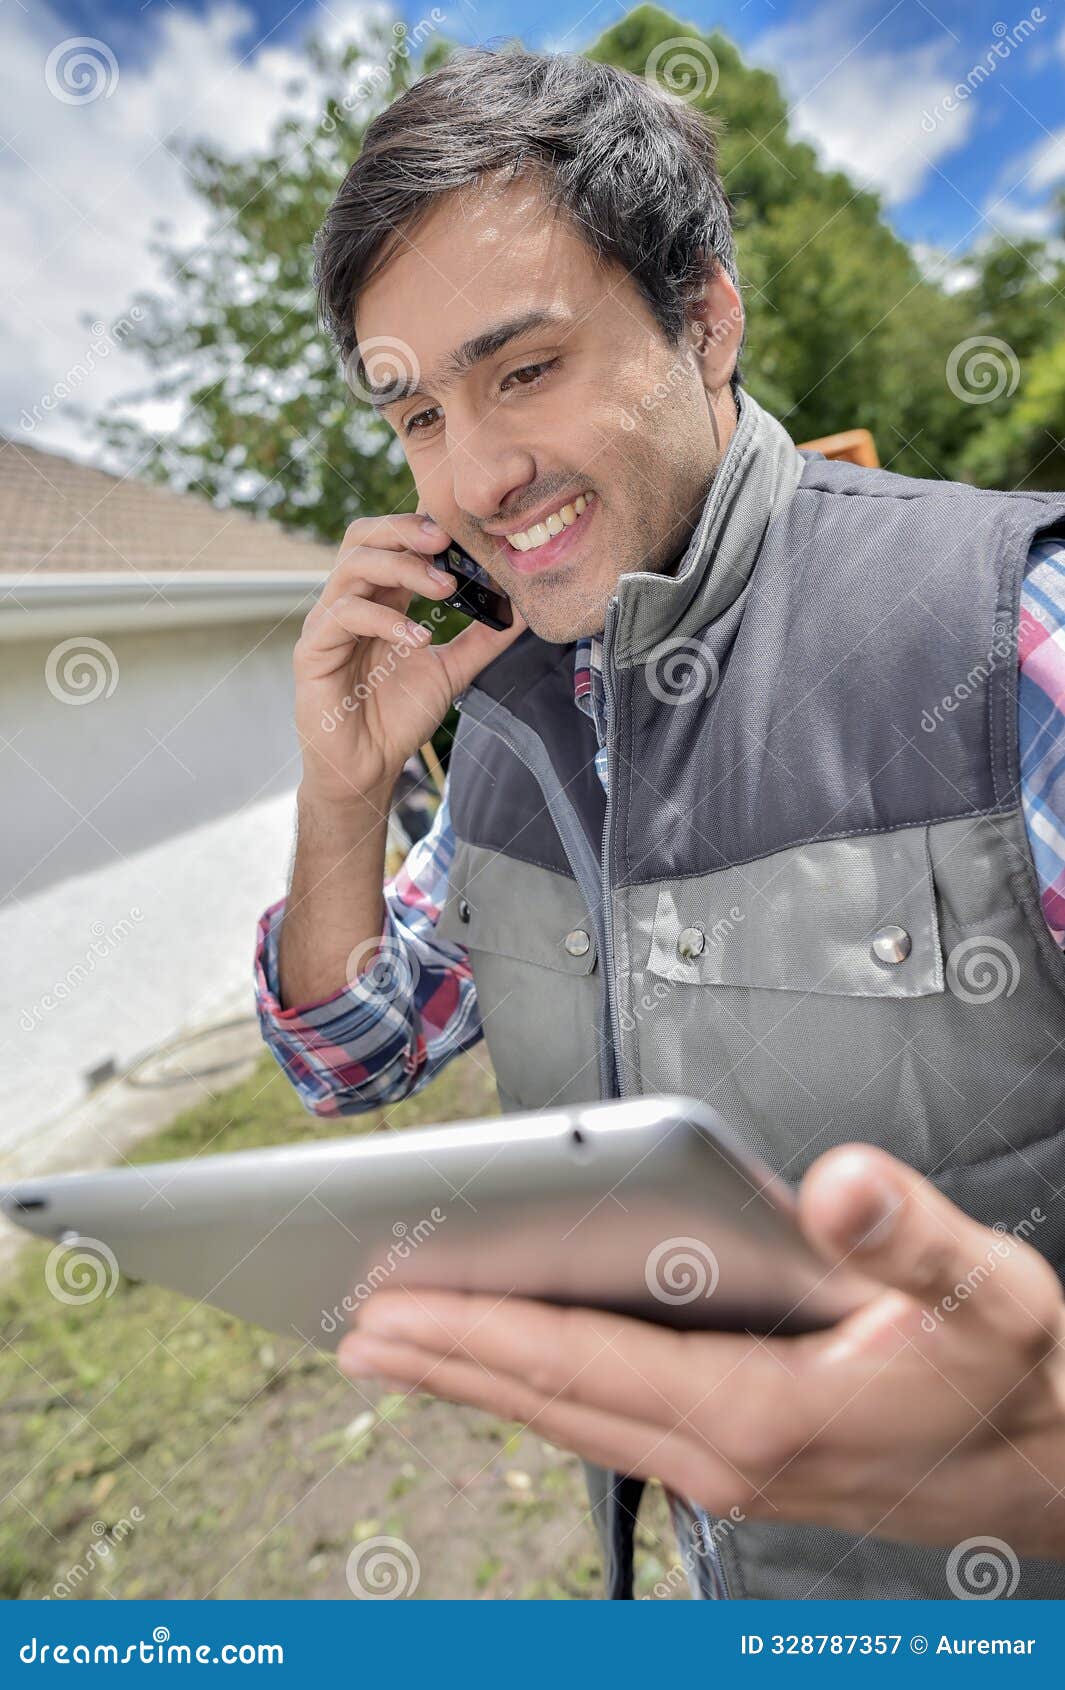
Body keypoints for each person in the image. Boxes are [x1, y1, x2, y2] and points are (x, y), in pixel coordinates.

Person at [254, 46, 1065, 1599]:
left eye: (525, 369)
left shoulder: (1003, 639)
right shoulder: (497, 713)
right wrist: (344, 788)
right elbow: (346, 1054)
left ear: (706, 319)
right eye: (417, 412)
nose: (476, 474)